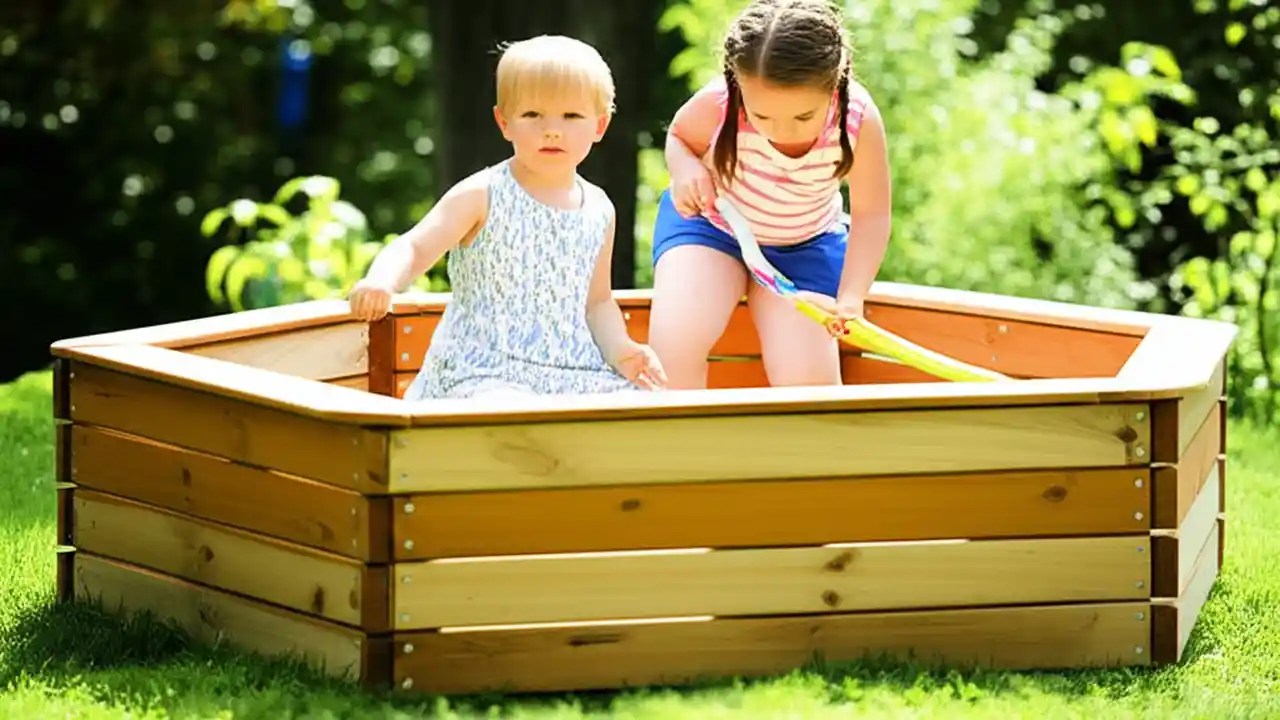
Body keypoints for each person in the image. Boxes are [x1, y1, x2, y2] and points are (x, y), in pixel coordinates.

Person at [347, 35, 666, 401]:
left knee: (643, 408)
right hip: (484, 371)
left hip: (570, 373)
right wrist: (381, 281)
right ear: (504, 122)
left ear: (599, 126)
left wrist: (622, 351)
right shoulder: (483, 194)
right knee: (510, 411)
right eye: (532, 114)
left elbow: (597, 303)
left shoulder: (598, 208)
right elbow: (415, 245)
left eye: (571, 115)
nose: (551, 129)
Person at [647, 0, 893, 389]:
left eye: (803, 117)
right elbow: (679, 137)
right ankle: (677, 445)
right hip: (713, 228)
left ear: (836, 82)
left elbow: (872, 214)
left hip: (805, 245)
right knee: (676, 336)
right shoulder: (721, 102)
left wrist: (851, 296)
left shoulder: (857, 118)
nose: (782, 132)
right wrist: (686, 169)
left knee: (808, 380)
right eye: (762, 117)